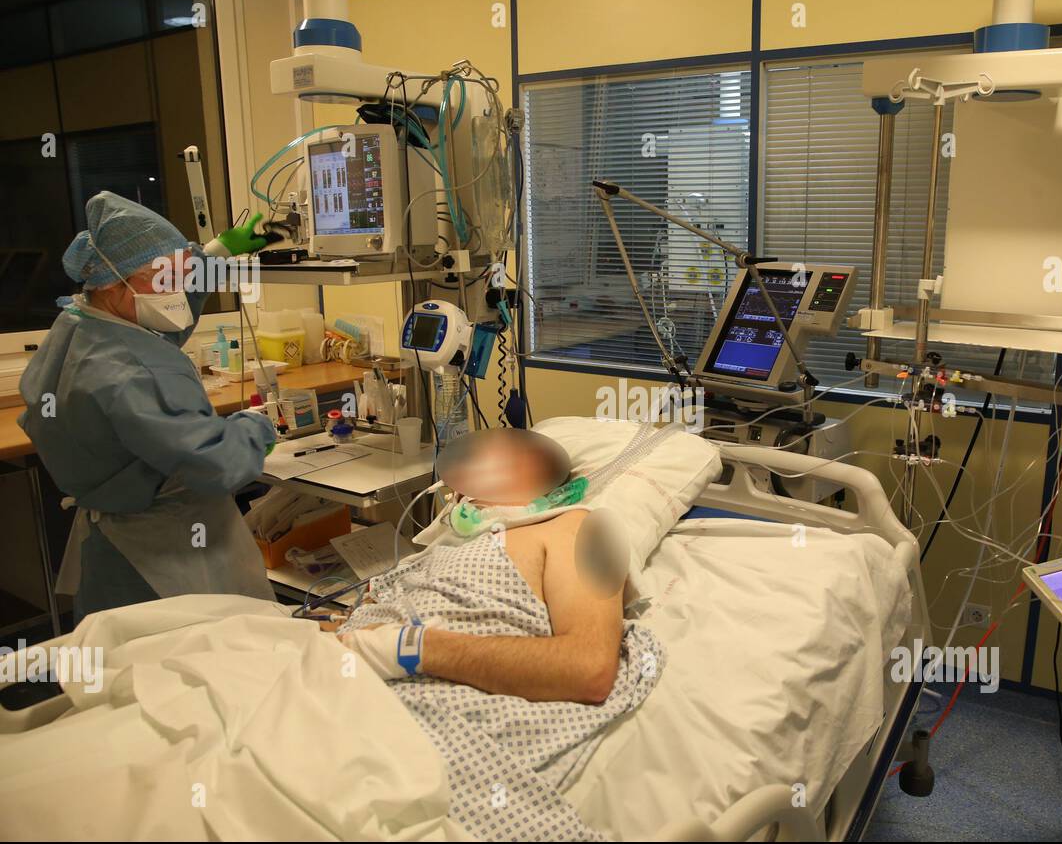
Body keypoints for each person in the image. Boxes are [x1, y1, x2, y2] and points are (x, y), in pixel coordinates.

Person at [19, 191, 277, 620]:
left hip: (113, 537)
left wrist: (215, 253)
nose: (178, 290)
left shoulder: (83, 322)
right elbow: (214, 464)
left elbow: (164, 317)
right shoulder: (132, 372)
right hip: (164, 550)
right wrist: (254, 427)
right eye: (168, 280)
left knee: (120, 656)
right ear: (114, 282)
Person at [336, 428, 634, 704]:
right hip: (342, 671)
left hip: (414, 699)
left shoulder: (569, 528)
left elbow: (589, 669)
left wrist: (410, 647)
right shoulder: (446, 544)